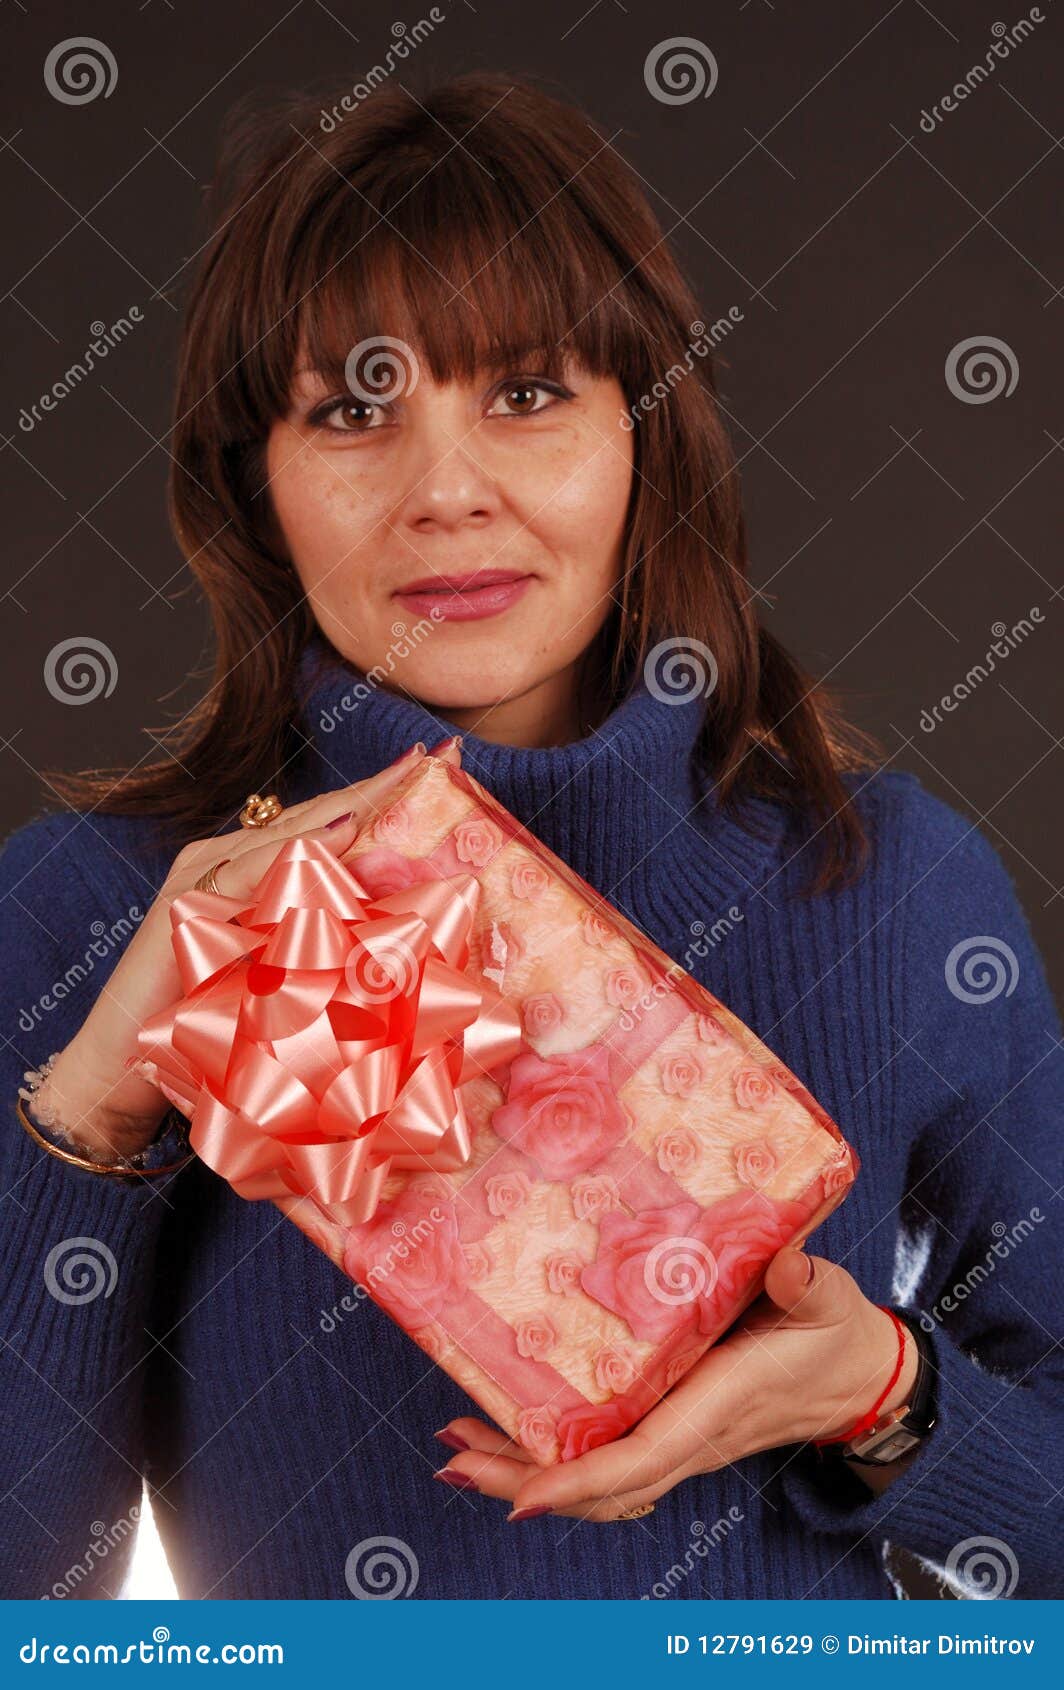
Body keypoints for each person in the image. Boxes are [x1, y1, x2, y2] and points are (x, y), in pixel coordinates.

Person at [2, 73, 1060, 1602]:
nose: (444, 491)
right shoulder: (96, 913)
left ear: (648, 432)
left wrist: (887, 1395)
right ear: (257, 480)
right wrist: (91, 1116)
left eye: (525, 392)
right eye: (353, 409)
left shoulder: (893, 887)